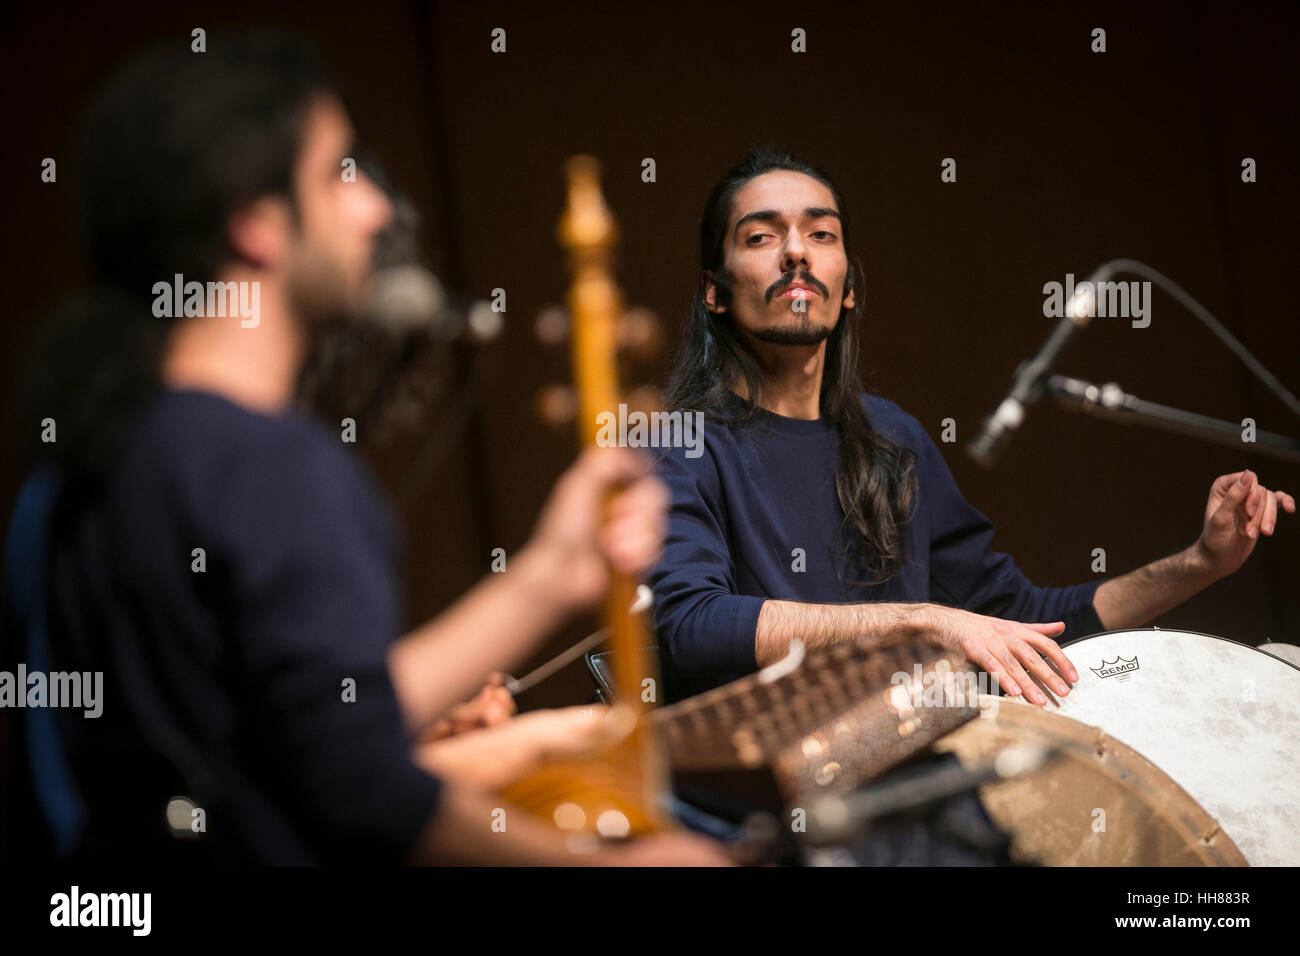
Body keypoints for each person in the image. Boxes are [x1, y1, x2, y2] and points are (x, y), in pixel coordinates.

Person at [2, 32, 724, 866]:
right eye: (339, 173)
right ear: (256, 225)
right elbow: (366, 799)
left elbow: (298, 732)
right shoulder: (270, 466)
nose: (375, 209)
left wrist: (546, 577)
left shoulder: (100, 458)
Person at [648, 147, 1294, 702]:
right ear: (715, 292)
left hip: (919, 784)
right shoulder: (681, 447)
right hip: (776, 805)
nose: (796, 251)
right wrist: (927, 621)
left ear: (848, 289)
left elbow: (1020, 619)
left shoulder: (892, 440)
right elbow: (692, 627)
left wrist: (1200, 562)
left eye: (822, 234)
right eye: (761, 237)